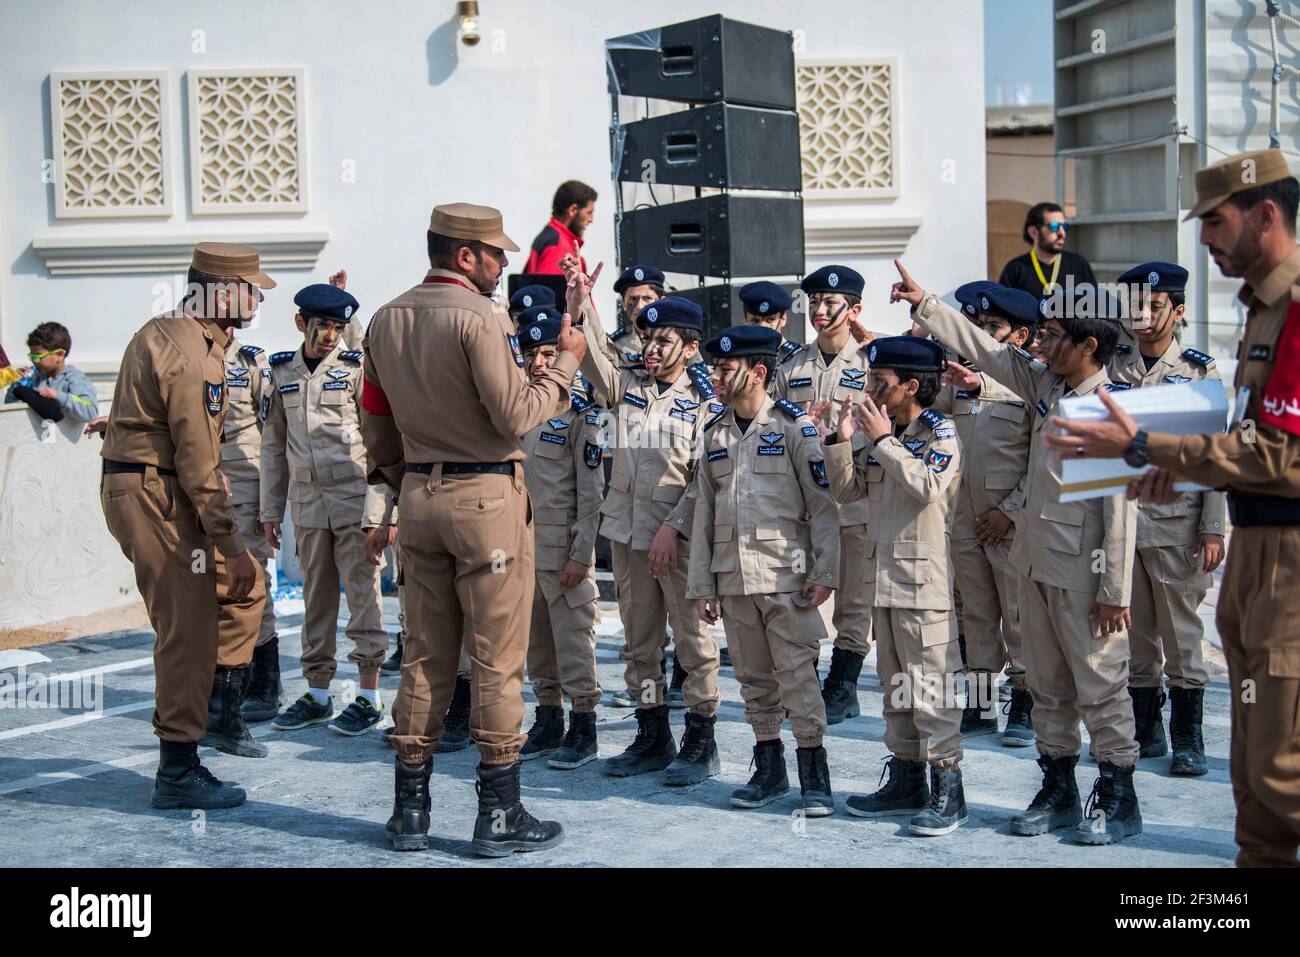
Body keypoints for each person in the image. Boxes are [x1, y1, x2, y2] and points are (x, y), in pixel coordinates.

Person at [1045, 148, 1300, 867]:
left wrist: (1159, 449)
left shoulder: (1297, 310)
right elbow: (1244, 441)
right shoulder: (1262, 311)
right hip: (1256, 552)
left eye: (1215, 221)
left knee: (1283, 775)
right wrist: (1172, 468)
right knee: (1253, 780)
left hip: (1287, 558)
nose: (1206, 238)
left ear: (1267, 214)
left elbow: (1284, 456)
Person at [361, 201, 584, 856]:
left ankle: (409, 810)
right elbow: (515, 413)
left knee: (424, 654)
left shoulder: (384, 318)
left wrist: (410, 476)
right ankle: (499, 811)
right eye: (494, 253)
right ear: (464, 255)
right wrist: (565, 366)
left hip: (418, 497)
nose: (504, 263)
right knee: (495, 654)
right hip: (486, 498)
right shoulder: (477, 318)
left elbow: (375, 423)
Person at [896, 258, 1143, 847]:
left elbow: (1121, 511)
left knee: (1101, 684)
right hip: (1035, 561)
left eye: (1056, 337)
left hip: (1086, 576)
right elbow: (988, 353)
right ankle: (1057, 785)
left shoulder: (1111, 409)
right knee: (1050, 685)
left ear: (1088, 346)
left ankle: (1117, 795)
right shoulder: (1047, 386)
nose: (1044, 342)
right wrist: (926, 304)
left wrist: (1114, 593)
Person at [99, 242, 267, 809]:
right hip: (158, 494)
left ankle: (217, 713)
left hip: (159, 486)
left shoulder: (174, 334)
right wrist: (233, 546)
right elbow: (198, 463)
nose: (260, 296)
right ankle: (177, 768)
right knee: (188, 627)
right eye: (250, 287)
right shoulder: (192, 354)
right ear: (222, 293)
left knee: (244, 595)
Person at [565, 263, 724, 786]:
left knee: (695, 643)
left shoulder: (706, 402)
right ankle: (652, 734)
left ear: (691, 348)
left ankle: (701, 743)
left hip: (677, 543)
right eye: (646, 337)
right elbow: (590, 354)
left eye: (664, 340)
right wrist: (581, 302)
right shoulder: (626, 386)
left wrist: (672, 528)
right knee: (639, 645)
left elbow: (705, 479)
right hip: (628, 536)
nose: (651, 349)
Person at [687, 324, 840, 814]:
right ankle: (769, 770)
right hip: (733, 580)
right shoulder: (713, 434)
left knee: (797, 677)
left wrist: (824, 571)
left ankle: (814, 775)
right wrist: (701, 584)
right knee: (754, 680)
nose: (715, 376)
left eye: (725, 369)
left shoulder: (795, 428)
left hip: (786, 578)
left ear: (757, 373)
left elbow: (823, 507)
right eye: (714, 367)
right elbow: (704, 513)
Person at [825, 336, 968, 835]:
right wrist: (841, 440)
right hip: (881, 581)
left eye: (879, 382)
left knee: (933, 689)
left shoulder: (938, 432)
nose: (869, 389)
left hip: (922, 585)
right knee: (897, 689)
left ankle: (948, 791)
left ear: (911, 385)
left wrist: (884, 442)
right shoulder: (881, 434)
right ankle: (907, 781)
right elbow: (847, 491)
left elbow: (928, 486)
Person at [260, 283, 394, 738]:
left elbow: (379, 445)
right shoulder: (281, 373)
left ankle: (369, 696)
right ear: (302, 324)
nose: (330, 336)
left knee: (363, 598)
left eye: (337, 328)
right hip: (308, 503)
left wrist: (382, 514)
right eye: (322, 326)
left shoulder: (356, 370)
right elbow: (273, 447)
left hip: (355, 501)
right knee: (315, 599)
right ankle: (317, 694)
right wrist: (269, 510)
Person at [1108, 260, 1226, 775]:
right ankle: (1146, 730)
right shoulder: (1114, 366)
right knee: (1133, 632)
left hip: (1177, 521)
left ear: (1177, 312)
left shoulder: (1198, 372)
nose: (1142, 314)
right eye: (1135, 304)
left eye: (1153, 305)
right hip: (1120, 521)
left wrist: (1213, 524)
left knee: (1181, 632)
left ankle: (1187, 736)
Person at [771, 265, 874, 725]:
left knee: (854, 596)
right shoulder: (792, 366)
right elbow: (772, 423)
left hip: (856, 493)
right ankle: (804, 675)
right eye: (813, 302)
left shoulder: (872, 361)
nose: (820, 310)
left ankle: (844, 683)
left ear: (853, 310)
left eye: (831, 303)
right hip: (806, 499)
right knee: (804, 587)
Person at [936, 284, 1036, 747]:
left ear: (1019, 336)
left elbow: (1043, 462)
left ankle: (1025, 702)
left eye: (991, 328)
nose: (979, 335)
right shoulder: (956, 383)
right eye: (974, 325)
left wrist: (1010, 511)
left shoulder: (1031, 386)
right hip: (965, 519)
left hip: (1010, 523)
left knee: (1018, 614)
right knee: (974, 614)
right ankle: (981, 701)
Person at [512, 307, 605, 769]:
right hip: (519, 552)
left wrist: (581, 555)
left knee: (573, 643)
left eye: (549, 352)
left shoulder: (581, 417)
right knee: (537, 646)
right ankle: (548, 720)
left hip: (562, 552)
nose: (540, 362)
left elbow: (592, 494)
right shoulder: (518, 411)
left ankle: (583, 726)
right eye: (531, 354)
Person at [208, 330, 281, 739]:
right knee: (211, 584)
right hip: (204, 484)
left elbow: (273, 433)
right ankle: (224, 678)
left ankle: (264, 680)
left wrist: (270, 500)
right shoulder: (190, 357)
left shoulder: (252, 362)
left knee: (252, 580)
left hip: (246, 485)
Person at [999, 202, 1097, 300]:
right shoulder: (1015, 269)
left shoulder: (1079, 264)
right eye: (1054, 226)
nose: (1061, 233)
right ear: (1033, 232)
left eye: (1064, 227)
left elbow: (1095, 306)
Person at [5, 322, 99, 423]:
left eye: (38, 356)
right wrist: (15, 384)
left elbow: (91, 411)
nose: (33, 361)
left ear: (59, 355)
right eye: (31, 356)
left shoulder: (74, 379)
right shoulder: (32, 378)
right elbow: (9, 408)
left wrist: (57, 395)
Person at [524, 180, 597, 275]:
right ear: (573, 210)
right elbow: (554, 289)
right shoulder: (559, 246)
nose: (591, 219)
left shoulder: (550, 237)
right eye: (589, 212)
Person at [740, 280, 803, 372]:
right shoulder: (735, 357)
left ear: (783, 319)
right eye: (755, 320)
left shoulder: (799, 357)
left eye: (770, 320)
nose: (762, 327)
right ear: (745, 319)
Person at [609, 264, 665, 359]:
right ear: (623, 304)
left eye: (647, 298)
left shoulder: (678, 338)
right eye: (632, 299)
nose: (639, 306)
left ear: (661, 301)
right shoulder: (614, 345)